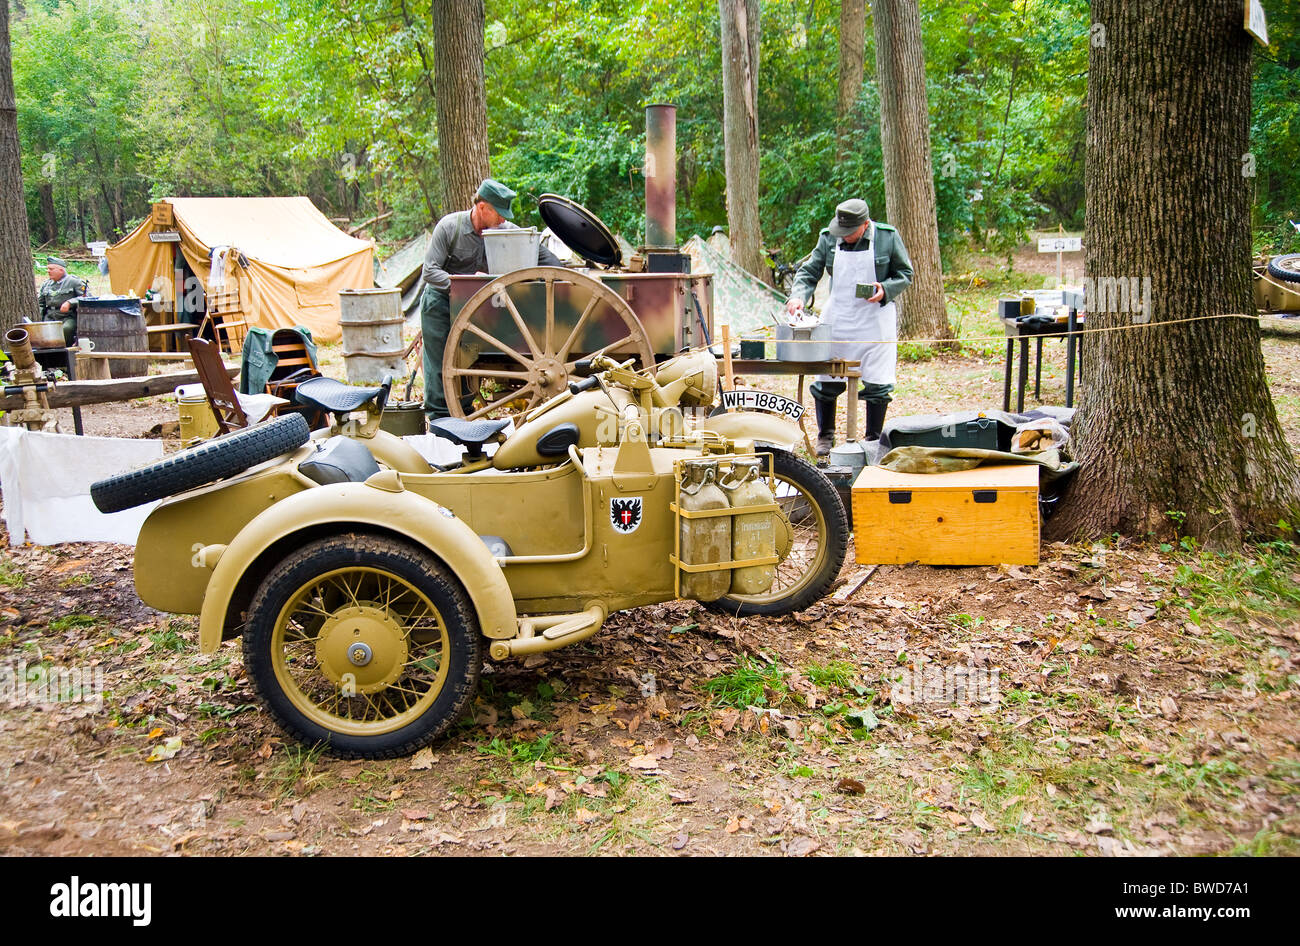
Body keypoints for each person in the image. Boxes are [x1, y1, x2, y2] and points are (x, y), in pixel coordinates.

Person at [419, 178, 563, 419]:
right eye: (499, 213)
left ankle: (462, 413)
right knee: (439, 363)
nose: (504, 220)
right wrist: (464, 284)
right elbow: (429, 272)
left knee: (466, 361)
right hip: (441, 304)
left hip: (478, 310)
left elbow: (541, 256)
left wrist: (559, 278)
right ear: (482, 207)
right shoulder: (449, 227)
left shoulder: (507, 232)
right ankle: (439, 421)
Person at [785, 198, 913, 455]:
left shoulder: (888, 238)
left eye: (849, 232)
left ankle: (873, 439)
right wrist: (798, 295)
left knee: (877, 382)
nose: (843, 236)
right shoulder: (828, 238)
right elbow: (809, 271)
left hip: (875, 319)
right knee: (826, 374)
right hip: (840, 316)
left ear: (865, 225)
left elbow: (905, 274)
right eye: (840, 231)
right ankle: (825, 436)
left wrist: (885, 289)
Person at [37, 256, 89, 347]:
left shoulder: (74, 282)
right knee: (42, 333)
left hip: (67, 317)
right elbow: (40, 303)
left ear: (61, 270)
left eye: (51, 269)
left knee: (66, 329)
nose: (48, 271)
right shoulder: (46, 284)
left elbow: (87, 297)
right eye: (48, 269)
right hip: (50, 316)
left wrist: (70, 302)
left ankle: (66, 350)